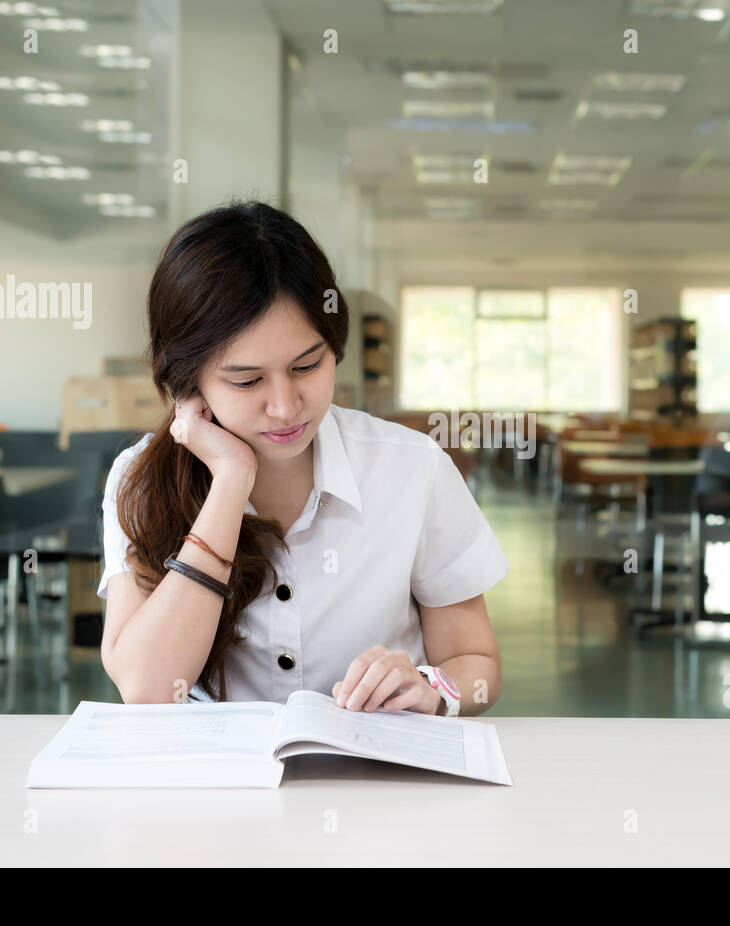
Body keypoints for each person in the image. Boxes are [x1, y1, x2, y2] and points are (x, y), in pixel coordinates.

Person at [97, 200, 507, 716]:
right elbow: (146, 689)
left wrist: (432, 689)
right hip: (214, 791)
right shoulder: (140, 479)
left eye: (307, 366)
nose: (285, 406)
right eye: (246, 380)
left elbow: (476, 663)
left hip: (373, 786)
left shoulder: (412, 469)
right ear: (186, 383)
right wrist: (230, 482)